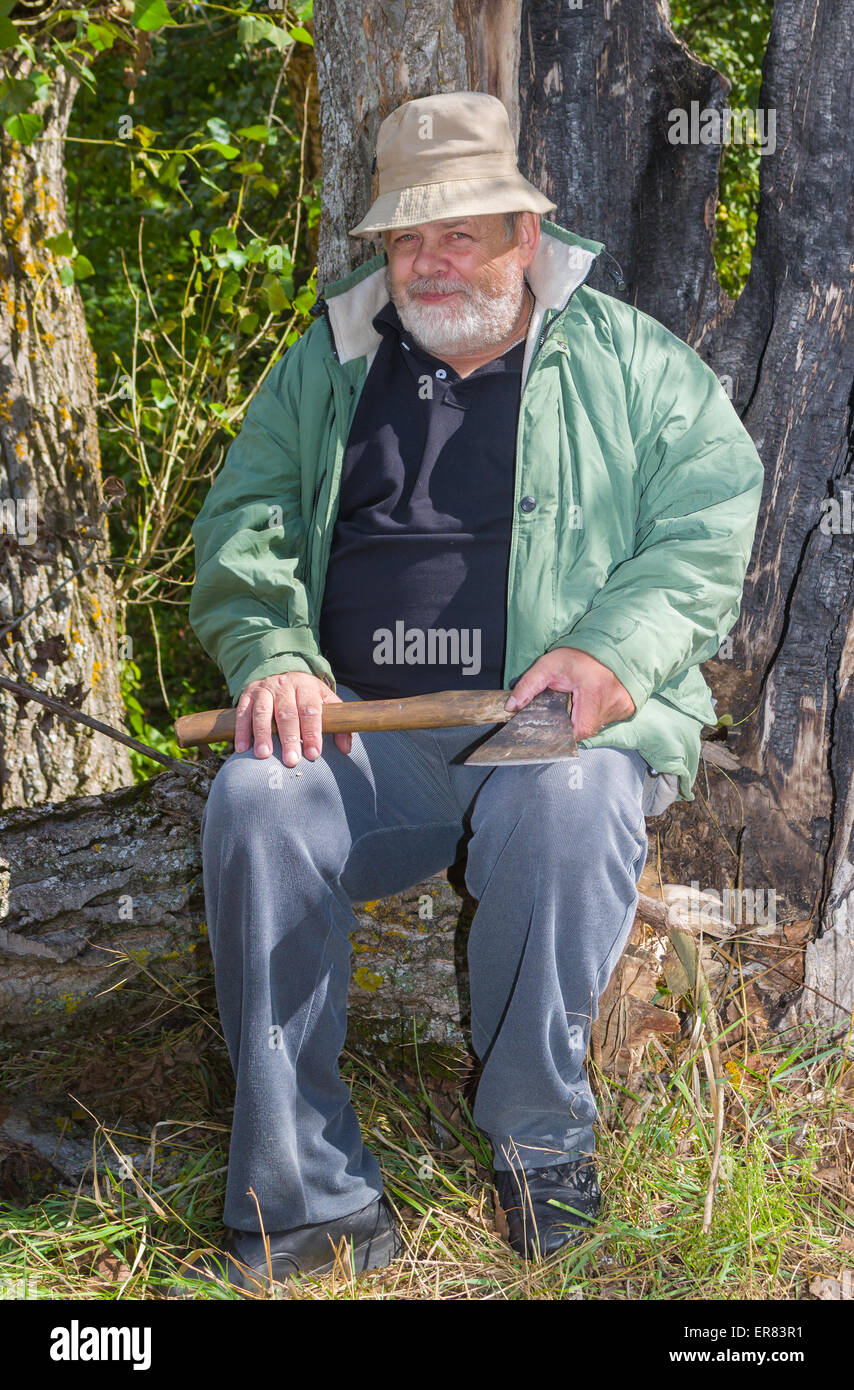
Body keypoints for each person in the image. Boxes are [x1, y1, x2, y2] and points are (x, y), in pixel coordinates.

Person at [178, 91, 764, 1292]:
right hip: (361, 731)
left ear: (521, 235)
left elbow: (706, 523)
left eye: (459, 233)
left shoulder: (632, 361)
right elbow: (245, 524)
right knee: (256, 805)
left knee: (566, 803)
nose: (430, 261)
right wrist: (274, 655)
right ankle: (302, 1197)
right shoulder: (330, 362)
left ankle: (538, 1144)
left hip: (552, 716)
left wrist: (607, 654)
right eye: (406, 238)